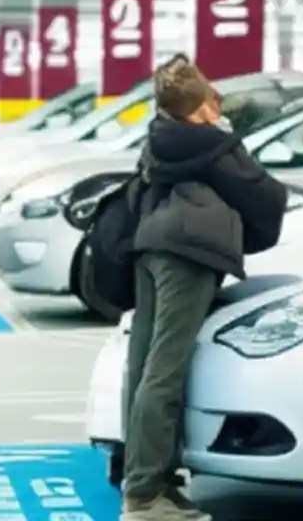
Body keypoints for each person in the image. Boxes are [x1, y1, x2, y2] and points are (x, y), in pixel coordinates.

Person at [120, 54, 289, 521]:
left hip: (151, 246)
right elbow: (265, 195)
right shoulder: (213, 144)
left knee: (144, 367)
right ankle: (146, 497)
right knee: (166, 372)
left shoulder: (158, 138)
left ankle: (151, 480)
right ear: (200, 105)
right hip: (188, 253)